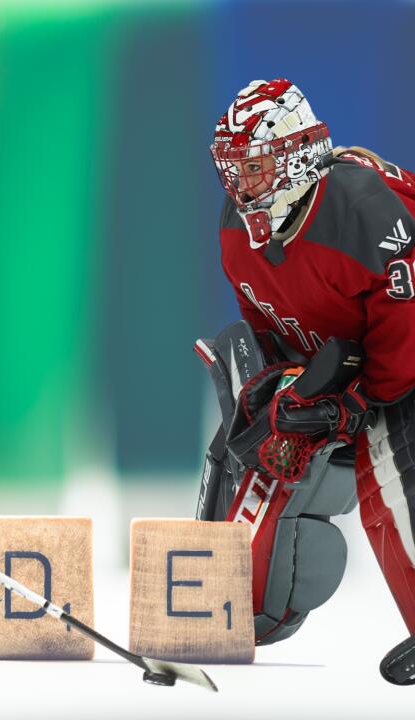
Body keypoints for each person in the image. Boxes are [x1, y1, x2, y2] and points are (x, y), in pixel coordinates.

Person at [206, 78, 415, 684]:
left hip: (396, 357)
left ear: (298, 153)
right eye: (234, 168)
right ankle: (224, 611)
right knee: (245, 451)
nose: (242, 183)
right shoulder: (238, 226)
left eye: (257, 165)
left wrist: (354, 402)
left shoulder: (363, 210)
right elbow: (264, 317)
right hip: (353, 356)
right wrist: (284, 389)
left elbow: (402, 350)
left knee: (392, 474)